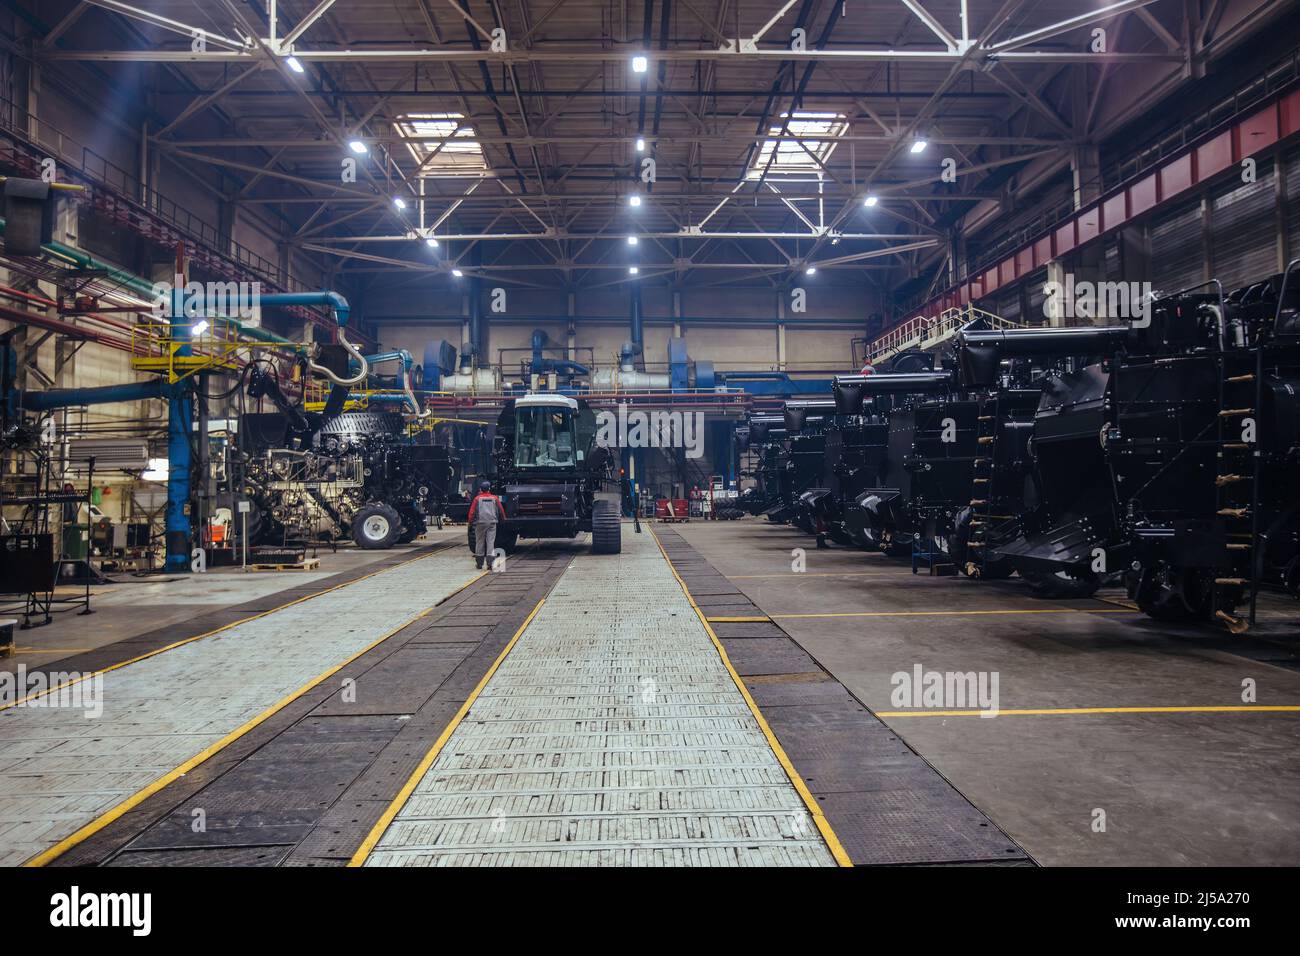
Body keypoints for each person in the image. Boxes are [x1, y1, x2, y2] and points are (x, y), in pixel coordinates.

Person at [467, 479, 507, 570]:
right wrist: (503, 519)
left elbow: (472, 512)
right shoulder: (495, 498)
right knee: (490, 542)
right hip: (492, 523)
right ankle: (490, 564)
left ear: (481, 489)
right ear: (489, 489)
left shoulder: (477, 499)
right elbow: (501, 510)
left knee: (479, 542)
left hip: (480, 523)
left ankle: (479, 563)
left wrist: (470, 522)